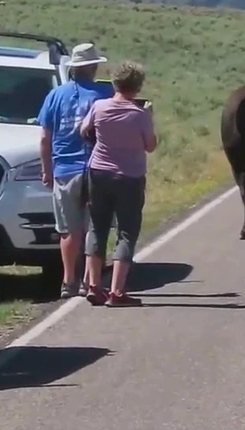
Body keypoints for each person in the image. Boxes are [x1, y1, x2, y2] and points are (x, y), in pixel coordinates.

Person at [38, 43, 113, 299]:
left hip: (65, 167)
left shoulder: (55, 96)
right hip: (97, 166)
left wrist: (46, 169)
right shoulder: (105, 94)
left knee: (69, 230)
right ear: (92, 67)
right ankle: (89, 281)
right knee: (95, 227)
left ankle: (68, 281)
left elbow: (45, 138)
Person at [79, 61, 157, 307]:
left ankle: (93, 285)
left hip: (99, 171)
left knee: (97, 227)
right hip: (130, 176)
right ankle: (116, 291)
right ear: (137, 86)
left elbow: (84, 130)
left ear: (115, 83)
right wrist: (149, 118)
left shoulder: (99, 106)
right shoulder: (139, 114)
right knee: (126, 232)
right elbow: (151, 145)